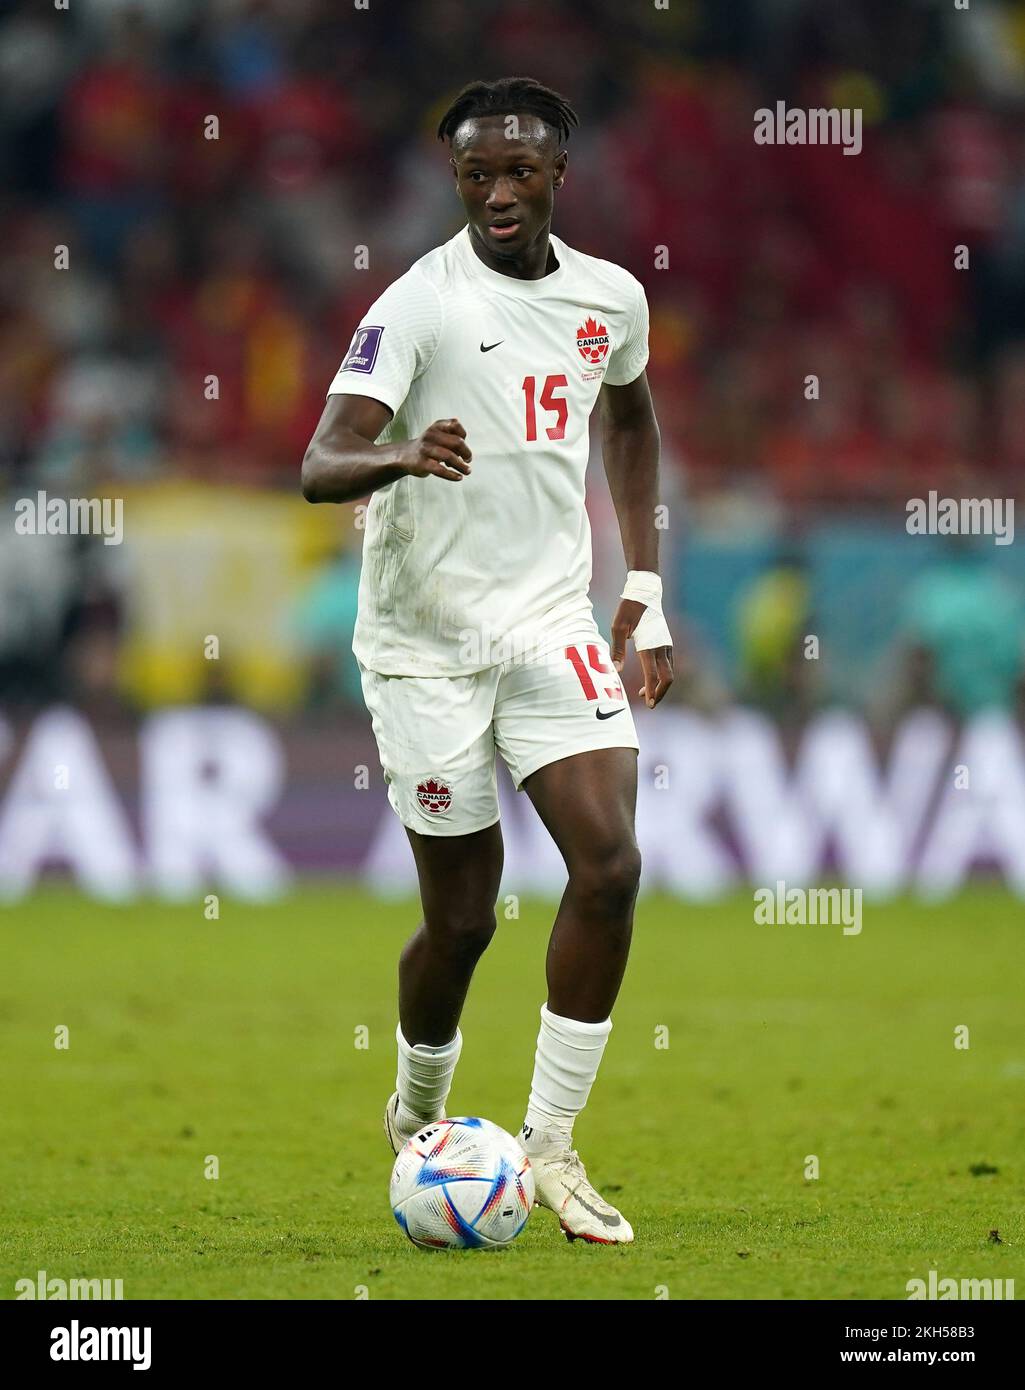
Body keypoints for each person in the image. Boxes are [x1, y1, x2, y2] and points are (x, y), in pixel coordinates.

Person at [301, 77, 673, 1244]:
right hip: (424, 646)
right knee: (462, 922)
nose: (498, 192)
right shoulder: (414, 306)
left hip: (549, 620)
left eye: (519, 170)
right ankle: (418, 1112)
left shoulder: (609, 296)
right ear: (453, 179)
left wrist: (644, 590)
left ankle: (552, 1146)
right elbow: (319, 463)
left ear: (559, 169)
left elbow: (629, 415)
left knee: (608, 866)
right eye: (476, 174)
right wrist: (404, 453)